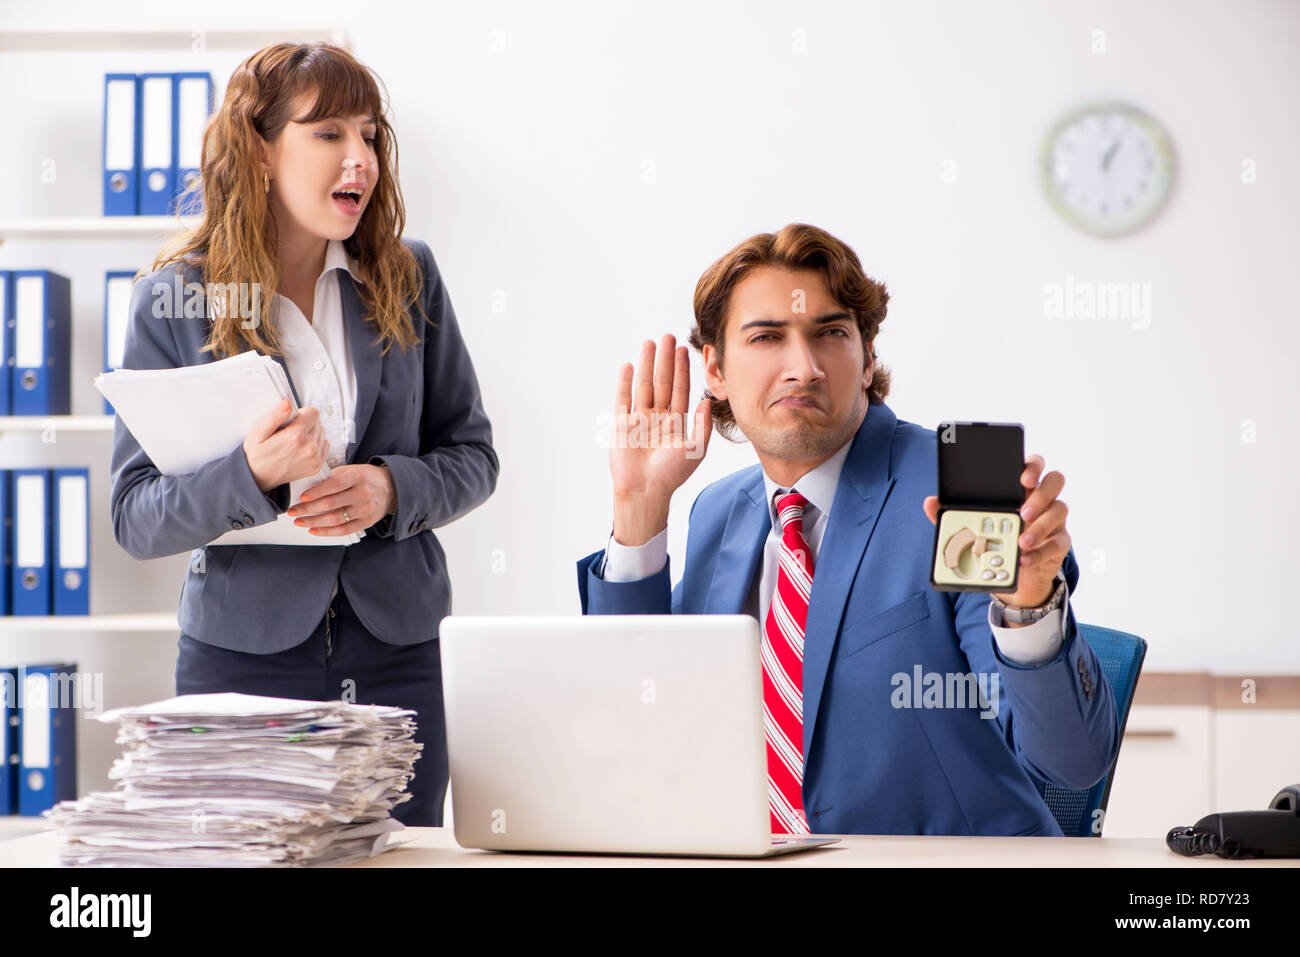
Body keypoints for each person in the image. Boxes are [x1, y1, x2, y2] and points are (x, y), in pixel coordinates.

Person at [577, 223, 1117, 836]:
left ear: (866, 361)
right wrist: (639, 510)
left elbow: (1071, 761)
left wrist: (1029, 611)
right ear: (717, 371)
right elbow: (639, 728)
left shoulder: (958, 495)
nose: (803, 367)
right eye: (767, 337)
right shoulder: (718, 513)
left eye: (830, 333)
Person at [109, 42, 498, 827]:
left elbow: (473, 455)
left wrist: (392, 487)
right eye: (329, 134)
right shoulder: (172, 300)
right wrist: (247, 475)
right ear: (259, 149)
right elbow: (134, 515)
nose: (360, 158)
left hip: (400, 652)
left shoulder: (409, 277)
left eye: (370, 135)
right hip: (238, 656)